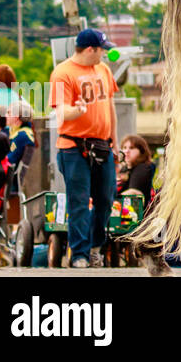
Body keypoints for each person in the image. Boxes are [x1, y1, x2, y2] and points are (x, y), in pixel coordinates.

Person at [50, 28, 118, 269]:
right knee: (78, 201)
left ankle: (95, 247)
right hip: (73, 147)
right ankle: (79, 253)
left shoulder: (104, 70)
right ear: (91, 50)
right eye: (102, 49)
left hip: (102, 145)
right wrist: (76, 111)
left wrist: (115, 143)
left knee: (106, 199)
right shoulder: (62, 73)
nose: (104, 54)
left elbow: (110, 108)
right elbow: (60, 110)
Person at [117, 135, 156, 211]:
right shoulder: (125, 169)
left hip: (135, 215)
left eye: (131, 148)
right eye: (124, 148)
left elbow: (134, 192)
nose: (126, 151)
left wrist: (111, 201)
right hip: (124, 212)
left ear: (141, 151)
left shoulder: (143, 167)